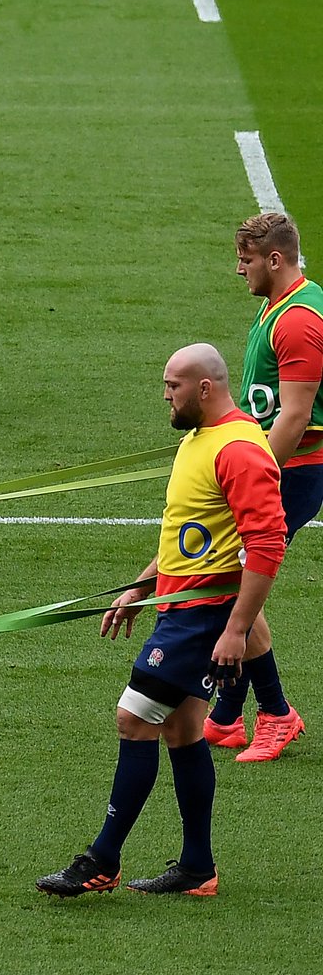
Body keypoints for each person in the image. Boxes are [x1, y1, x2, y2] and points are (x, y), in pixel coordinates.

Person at [36, 344, 285, 898]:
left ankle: (102, 859)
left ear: (204, 388)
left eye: (173, 386)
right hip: (178, 606)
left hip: (202, 618)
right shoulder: (199, 439)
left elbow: (266, 546)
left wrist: (236, 630)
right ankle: (198, 867)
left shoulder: (240, 450)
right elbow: (186, 533)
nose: (165, 395)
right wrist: (142, 586)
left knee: (134, 719)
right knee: (182, 728)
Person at [202, 213, 314, 761]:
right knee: (231, 573)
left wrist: (255, 474)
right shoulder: (278, 305)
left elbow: (293, 418)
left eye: (246, 259)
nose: (238, 268)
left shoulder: (296, 321)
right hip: (278, 463)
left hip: (292, 469)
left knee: (237, 578)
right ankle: (225, 716)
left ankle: (276, 712)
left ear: (274, 260)